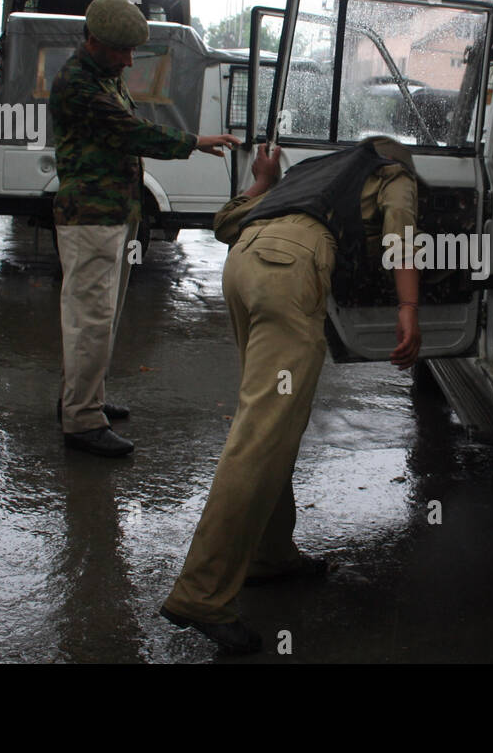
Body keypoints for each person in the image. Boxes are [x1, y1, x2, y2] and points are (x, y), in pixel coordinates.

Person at [160, 136, 421, 654]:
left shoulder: (310, 174)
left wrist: (263, 180)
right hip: (290, 272)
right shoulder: (394, 176)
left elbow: (224, 223)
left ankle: (269, 555)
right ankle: (201, 594)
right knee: (261, 434)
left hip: (243, 265)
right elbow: (400, 237)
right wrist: (409, 307)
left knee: (271, 423)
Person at [49, 0, 237, 457]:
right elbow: (131, 131)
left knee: (100, 318)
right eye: (122, 50)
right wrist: (194, 141)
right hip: (91, 217)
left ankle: (83, 398)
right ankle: (81, 421)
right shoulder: (78, 84)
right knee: (90, 320)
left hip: (114, 212)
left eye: (134, 50)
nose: (130, 60)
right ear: (94, 41)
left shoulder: (103, 74)